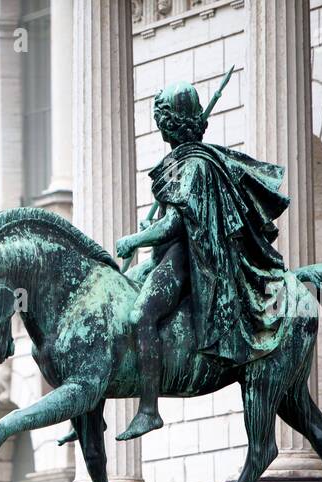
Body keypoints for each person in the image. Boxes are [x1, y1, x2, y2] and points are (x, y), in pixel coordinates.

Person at [112, 71, 290, 441]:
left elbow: (174, 225)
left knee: (142, 313)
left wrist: (135, 239)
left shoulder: (194, 166)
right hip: (170, 255)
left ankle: (148, 410)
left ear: (170, 126)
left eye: (162, 122)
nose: (160, 130)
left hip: (187, 258)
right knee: (122, 289)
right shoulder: (183, 163)